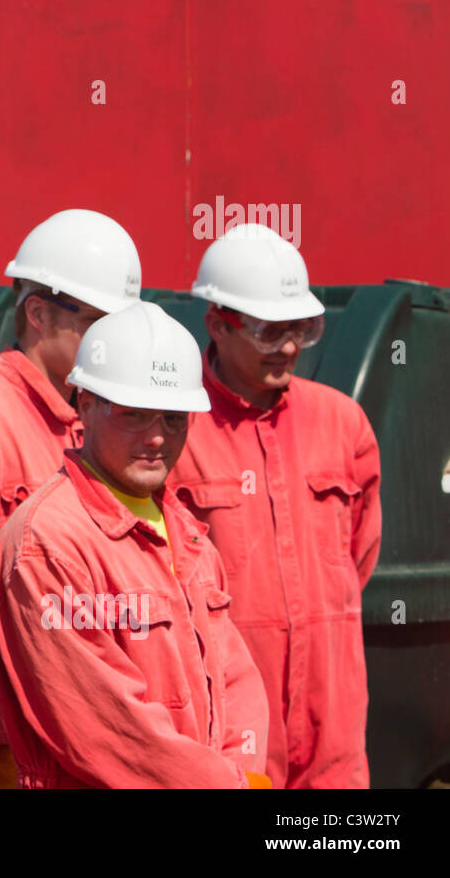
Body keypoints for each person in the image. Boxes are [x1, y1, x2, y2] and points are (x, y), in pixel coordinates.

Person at [0, 302, 270, 787]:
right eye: (135, 414)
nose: (157, 437)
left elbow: (236, 682)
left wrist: (243, 775)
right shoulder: (48, 542)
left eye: (174, 418)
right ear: (86, 406)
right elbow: (106, 730)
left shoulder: (185, 533)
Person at [0, 208, 141, 784]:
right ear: (38, 312)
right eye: (99, 321)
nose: (115, 342)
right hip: (8, 737)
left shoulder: (102, 423)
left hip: (93, 726)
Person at [170, 223, 381, 788]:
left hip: (332, 719)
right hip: (231, 721)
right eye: (269, 331)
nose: (289, 347)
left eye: (301, 330)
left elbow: (359, 556)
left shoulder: (342, 422)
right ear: (218, 324)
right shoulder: (175, 430)